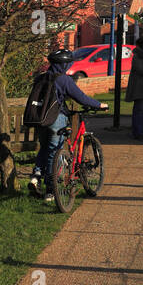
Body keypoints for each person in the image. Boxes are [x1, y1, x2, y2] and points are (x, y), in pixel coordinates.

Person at [29, 49, 107, 200]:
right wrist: (99, 104)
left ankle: (36, 176)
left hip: (40, 120)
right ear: (64, 65)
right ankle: (51, 191)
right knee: (54, 152)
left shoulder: (41, 78)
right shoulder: (63, 80)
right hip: (56, 120)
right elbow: (81, 98)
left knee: (44, 148)